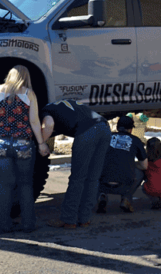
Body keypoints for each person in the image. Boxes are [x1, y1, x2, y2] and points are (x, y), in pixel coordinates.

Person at [0, 66, 48, 233]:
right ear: (25, 77)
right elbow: (34, 121)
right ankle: (28, 224)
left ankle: (3, 224)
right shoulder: (29, 94)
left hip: (1, 144)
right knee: (26, 185)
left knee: (5, 185)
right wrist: (41, 143)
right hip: (23, 144)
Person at [40, 98, 111, 229]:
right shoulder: (61, 104)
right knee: (93, 179)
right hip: (105, 128)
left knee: (77, 178)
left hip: (87, 132)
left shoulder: (45, 110)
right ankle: (85, 219)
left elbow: (48, 124)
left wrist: (40, 143)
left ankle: (69, 220)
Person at [96, 115, 147, 213]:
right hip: (124, 185)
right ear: (131, 129)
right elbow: (145, 165)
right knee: (141, 172)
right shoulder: (136, 140)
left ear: (117, 127)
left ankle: (101, 195)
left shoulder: (106, 137)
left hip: (103, 183)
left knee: (97, 168)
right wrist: (131, 164)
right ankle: (126, 198)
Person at [139, 137, 161, 209]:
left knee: (144, 185)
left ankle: (154, 199)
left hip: (152, 187)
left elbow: (144, 169)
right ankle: (159, 199)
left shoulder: (147, 160)